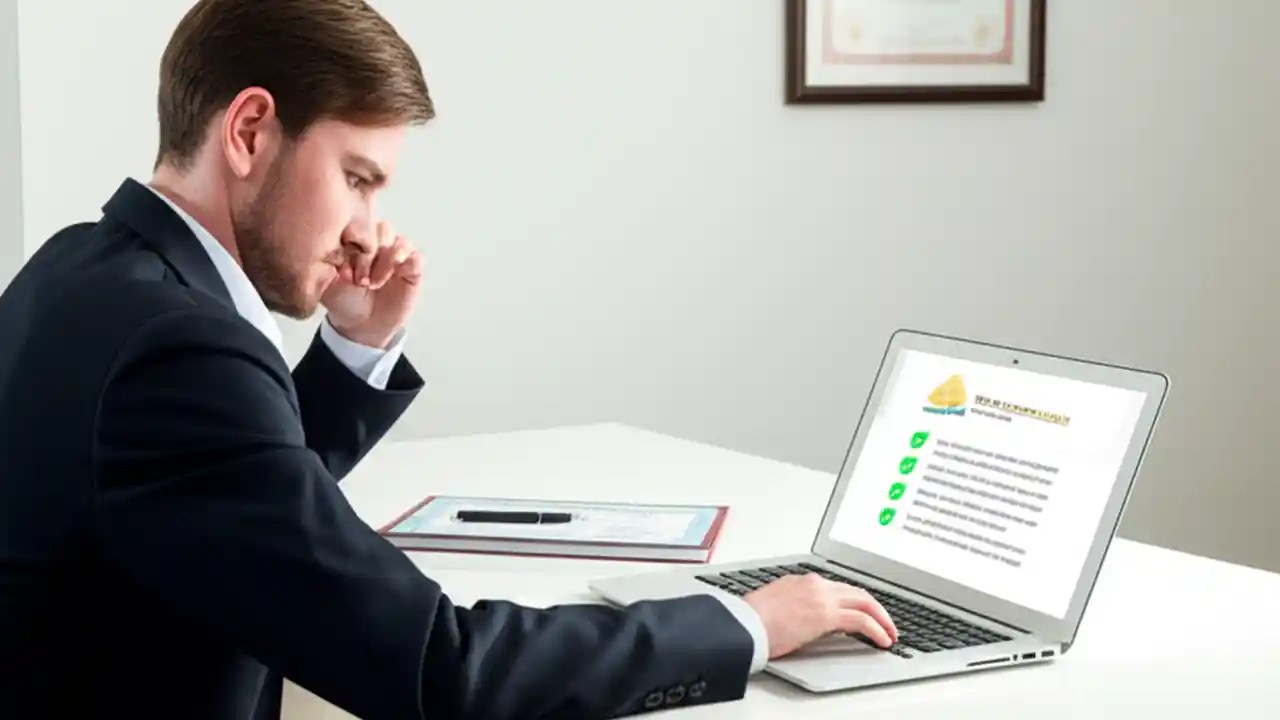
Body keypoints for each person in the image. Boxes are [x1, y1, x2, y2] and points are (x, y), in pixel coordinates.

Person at [0, 1, 897, 718]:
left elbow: (222, 507)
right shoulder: (184, 349)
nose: (366, 225)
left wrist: (352, 345)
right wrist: (744, 623)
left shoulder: (78, 268)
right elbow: (440, 670)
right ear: (249, 131)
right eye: (357, 176)